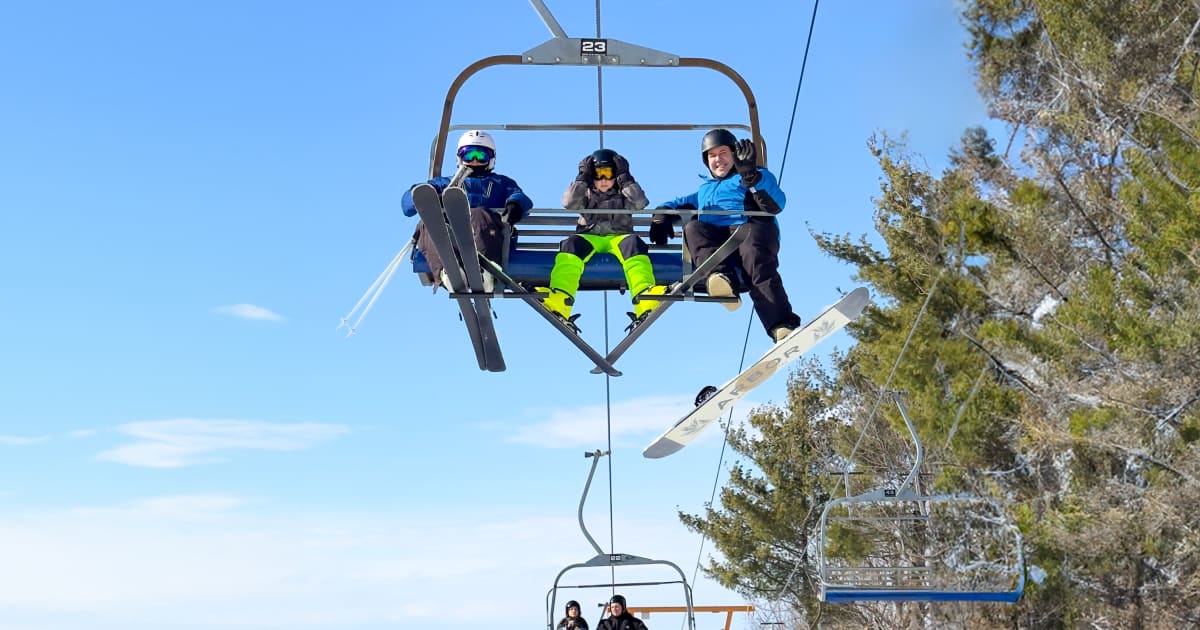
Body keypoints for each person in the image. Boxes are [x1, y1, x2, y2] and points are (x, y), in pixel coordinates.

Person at [649, 129, 802, 342]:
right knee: (693, 228)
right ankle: (720, 280)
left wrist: (751, 176)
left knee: (757, 264)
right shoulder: (704, 190)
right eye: (712, 156)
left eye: (723, 153)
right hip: (720, 244)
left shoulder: (753, 175)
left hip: (748, 232)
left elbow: (776, 205)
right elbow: (677, 202)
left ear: (734, 154)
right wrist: (661, 214)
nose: (718, 160)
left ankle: (781, 325)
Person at [537, 149, 666, 332]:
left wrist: (626, 178)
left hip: (618, 236)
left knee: (634, 244)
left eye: (609, 174)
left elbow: (640, 203)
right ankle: (560, 300)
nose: (604, 180)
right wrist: (583, 178)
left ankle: (645, 299)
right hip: (590, 236)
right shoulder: (586, 193)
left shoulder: (624, 193)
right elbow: (569, 203)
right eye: (598, 175)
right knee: (571, 245)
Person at [401, 129, 533, 293]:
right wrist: (418, 193)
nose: (476, 161)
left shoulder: (501, 183)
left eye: (481, 156)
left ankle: (486, 271)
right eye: (469, 156)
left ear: (491, 159)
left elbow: (520, 197)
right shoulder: (445, 184)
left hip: (492, 242)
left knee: (478, 213)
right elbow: (407, 208)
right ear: (460, 158)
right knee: (428, 223)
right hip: (452, 243)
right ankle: (448, 272)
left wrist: (516, 205)